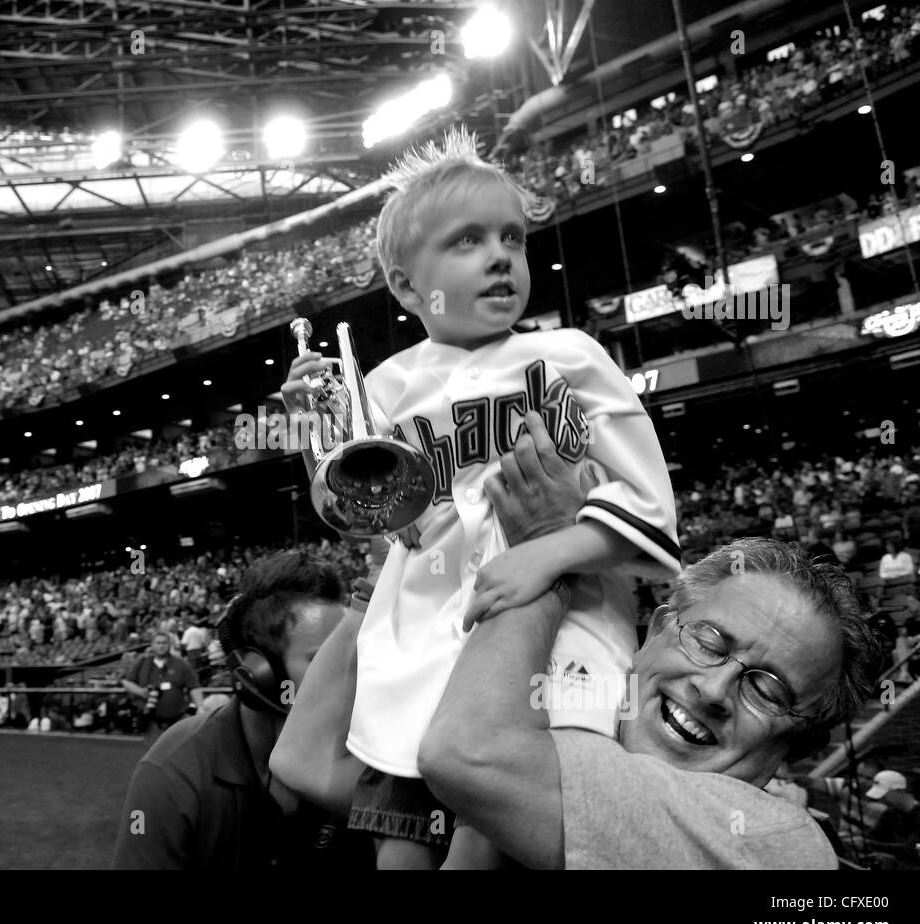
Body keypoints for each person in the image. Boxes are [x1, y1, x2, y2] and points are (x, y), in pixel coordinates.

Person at [280, 126, 680, 868]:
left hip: (558, 625)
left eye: (512, 238)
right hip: (419, 636)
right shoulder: (385, 385)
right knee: (398, 849)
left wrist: (551, 553)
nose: (500, 255)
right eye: (467, 241)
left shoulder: (570, 358)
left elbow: (649, 506)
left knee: (488, 840)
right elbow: (362, 511)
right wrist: (319, 425)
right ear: (406, 285)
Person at [277, 416, 888, 868]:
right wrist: (397, 567)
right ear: (652, 632)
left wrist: (544, 546)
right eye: (709, 640)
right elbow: (303, 761)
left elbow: (467, 754)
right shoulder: (550, 720)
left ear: (798, 743)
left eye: (768, 688)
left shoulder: (778, 849)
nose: (714, 688)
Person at [112, 551, 373, 869]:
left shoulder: (370, 753)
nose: (353, 674)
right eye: (322, 658)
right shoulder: (172, 771)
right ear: (261, 675)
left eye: (353, 654)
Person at [121, 632, 204, 743]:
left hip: (176, 720)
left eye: (164, 643)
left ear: (169, 645)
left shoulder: (180, 664)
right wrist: (141, 692)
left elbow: (194, 686)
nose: (161, 646)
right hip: (151, 722)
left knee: (177, 751)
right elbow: (127, 682)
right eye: (158, 643)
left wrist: (201, 707)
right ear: (152, 645)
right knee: (153, 754)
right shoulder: (142, 663)